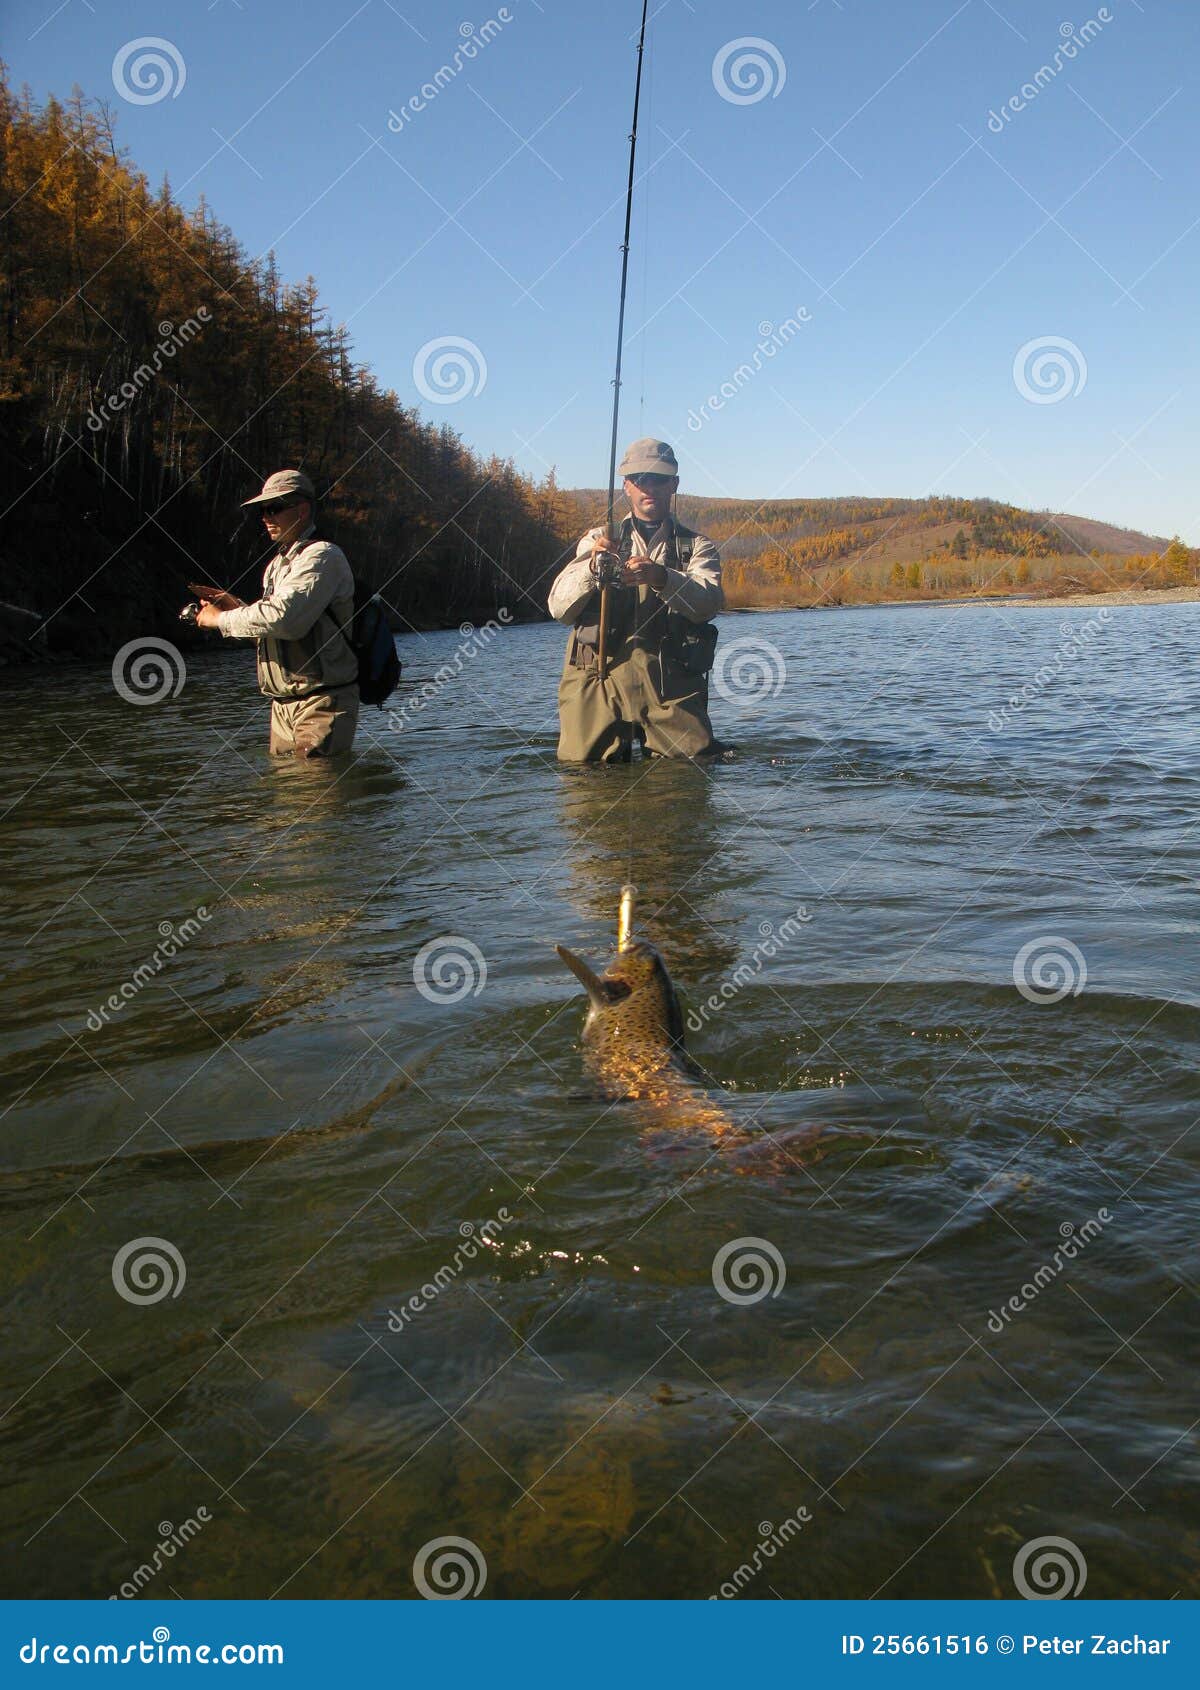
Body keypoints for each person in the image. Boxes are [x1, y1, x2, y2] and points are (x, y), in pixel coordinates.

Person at [548, 437, 724, 762]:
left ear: (674, 484)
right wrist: (591, 569)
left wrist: (662, 578)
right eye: (640, 479)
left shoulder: (697, 547)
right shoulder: (597, 539)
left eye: (659, 479)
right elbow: (558, 608)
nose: (650, 488)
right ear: (626, 485)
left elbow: (709, 603)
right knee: (587, 785)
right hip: (597, 677)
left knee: (685, 785)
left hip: (671, 686)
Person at [195, 469, 359, 759]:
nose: (265, 517)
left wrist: (219, 619)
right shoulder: (276, 566)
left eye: (274, 508)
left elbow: (285, 620)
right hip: (282, 707)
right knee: (288, 797)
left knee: (314, 796)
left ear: (302, 509)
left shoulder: (322, 556)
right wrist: (236, 607)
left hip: (322, 701)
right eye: (263, 510)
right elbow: (272, 630)